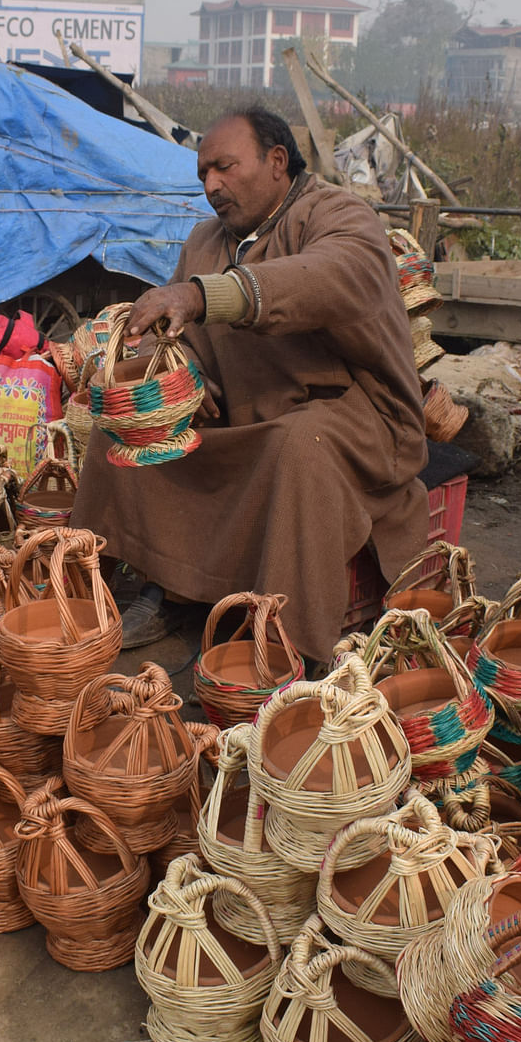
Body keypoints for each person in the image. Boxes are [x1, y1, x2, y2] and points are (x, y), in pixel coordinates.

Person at [73, 106, 428, 658]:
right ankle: (163, 585)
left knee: (298, 448)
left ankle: (285, 637)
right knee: (130, 427)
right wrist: (188, 375)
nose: (211, 185)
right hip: (243, 417)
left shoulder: (340, 215)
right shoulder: (204, 242)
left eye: (224, 167)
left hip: (357, 416)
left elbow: (330, 278)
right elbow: (177, 338)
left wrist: (200, 294)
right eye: (202, 175)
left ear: (276, 161)